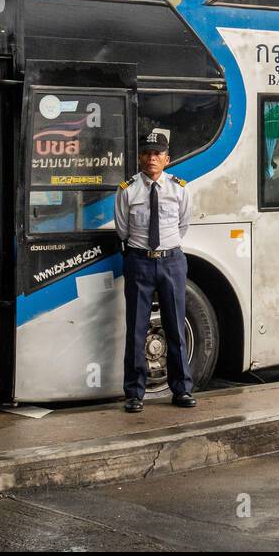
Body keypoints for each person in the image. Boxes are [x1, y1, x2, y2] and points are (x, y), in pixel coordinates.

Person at [115, 131, 196, 413]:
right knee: (137, 330)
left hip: (172, 261)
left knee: (175, 327)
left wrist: (164, 250)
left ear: (167, 159)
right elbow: (123, 230)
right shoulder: (127, 190)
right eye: (147, 153)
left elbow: (183, 225)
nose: (152, 158)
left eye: (157, 154)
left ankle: (182, 390)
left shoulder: (180, 189)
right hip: (139, 262)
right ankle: (134, 393)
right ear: (140, 158)